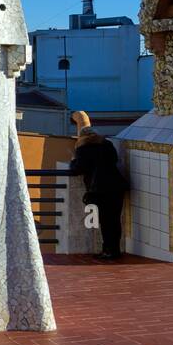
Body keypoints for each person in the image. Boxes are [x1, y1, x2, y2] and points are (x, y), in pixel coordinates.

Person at [67, 110, 129, 261]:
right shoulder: (106, 144)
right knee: (114, 220)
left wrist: (73, 160)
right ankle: (115, 250)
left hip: (99, 190)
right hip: (116, 186)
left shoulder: (83, 148)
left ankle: (108, 251)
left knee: (105, 222)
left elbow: (78, 169)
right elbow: (114, 159)